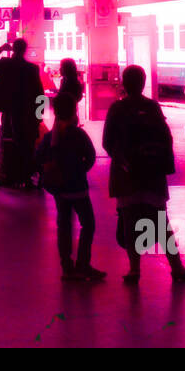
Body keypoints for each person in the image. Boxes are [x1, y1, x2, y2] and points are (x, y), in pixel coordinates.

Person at [102, 65, 185, 284]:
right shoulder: (152, 107)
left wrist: (123, 160)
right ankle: (177, 268)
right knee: (161, 223)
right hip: (152, 176)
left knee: (129, 222)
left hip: (126, 176)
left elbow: (107, 142)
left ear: (124, 83)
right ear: (143, 84)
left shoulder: (116, 109)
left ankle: (134, 270)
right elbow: (166, 138)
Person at [36, 92, 105, 281]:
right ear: (74, 111)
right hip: (78, 188)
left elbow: (38, 157)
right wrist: (79, 169)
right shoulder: (78, 134)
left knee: (64, 225)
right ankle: (83, 264)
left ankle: (67, 266)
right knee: (88, 224)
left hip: (59, 190)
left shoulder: (51, 136)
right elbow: (90, 156)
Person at [0, 39, 44, 187]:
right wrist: (39, 116)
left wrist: (1, 48)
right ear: (25, 49)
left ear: (13, 49)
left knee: (10, 144)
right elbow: (40, 94)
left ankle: (12, 176)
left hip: (10, 110)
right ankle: (27, 177)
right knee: (28, 146)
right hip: (29, 112)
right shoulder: (32, 69)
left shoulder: (6, 65)